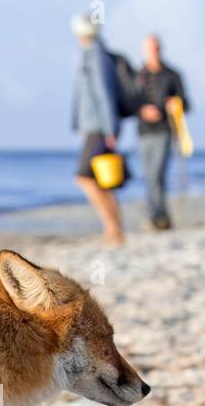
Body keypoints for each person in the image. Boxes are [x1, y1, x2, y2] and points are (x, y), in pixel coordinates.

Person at [71, 13, 124, 247]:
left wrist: (109, 129)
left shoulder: (96, 55)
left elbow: (103, 94)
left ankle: (113, 229)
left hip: (99, 128)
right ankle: (113, 231)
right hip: (93, 127)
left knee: (84, 178)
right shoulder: (90, 53)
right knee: (101, 181)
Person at [136, 34, 190, 230]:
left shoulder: (172, 76)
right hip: (143, 132)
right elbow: (131, 103)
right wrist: (142, 110)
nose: (153, 52)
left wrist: (175, 104)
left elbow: (187, 104)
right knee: (148, 176)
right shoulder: (139, 76)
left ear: (160, 49)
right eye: (149, 49)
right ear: (144, 51)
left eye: (155, 48)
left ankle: (159, 216)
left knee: (157, 175)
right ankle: (157, 216)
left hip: (164, 131)